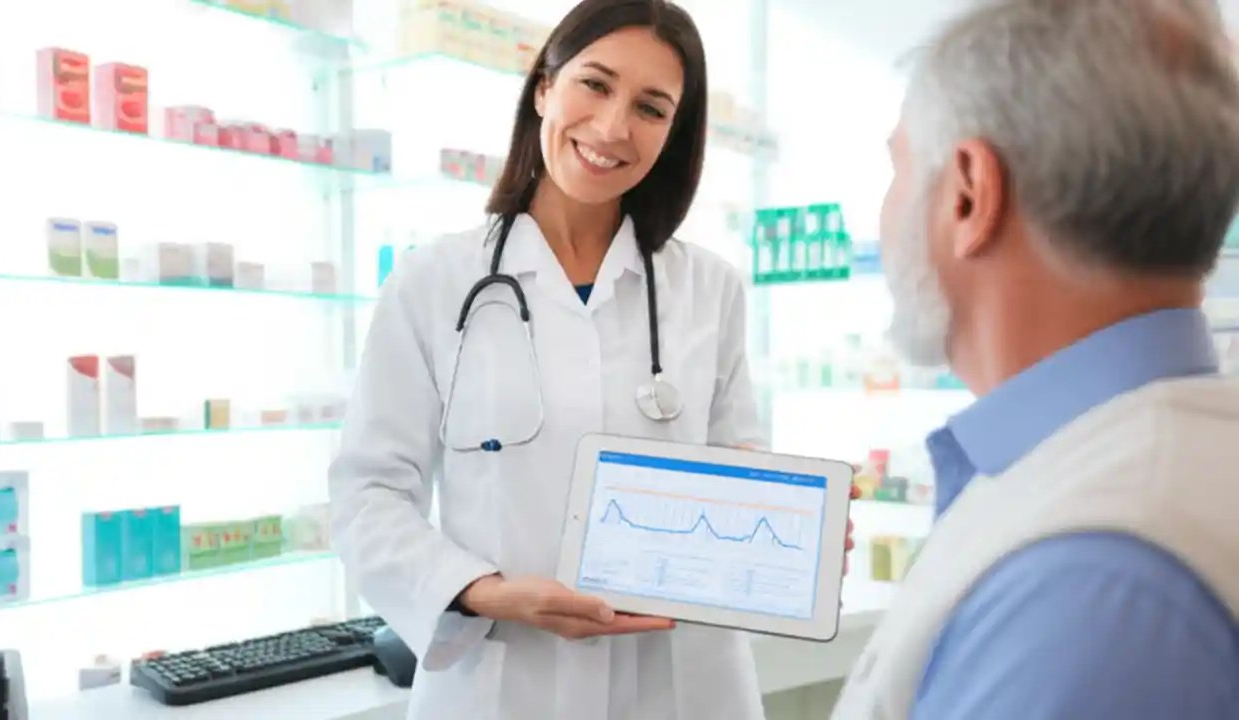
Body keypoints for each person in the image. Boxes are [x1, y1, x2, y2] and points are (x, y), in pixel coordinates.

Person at [330, 1, 854, 718]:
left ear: (675, 132)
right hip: (504, 683)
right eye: (596, 85)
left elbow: (737, 479)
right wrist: (484, 592)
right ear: (544, 85)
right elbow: (367, 498)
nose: (612, 129)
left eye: (651, 107)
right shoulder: (433, 283)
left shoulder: (708, 291)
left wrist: (798, 541)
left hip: (681, 688)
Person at [832, 0, 1239, 718]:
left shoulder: (1092, 582)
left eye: (898, 170)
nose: (885, 213)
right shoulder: (1116, 471)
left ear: (969, 193)